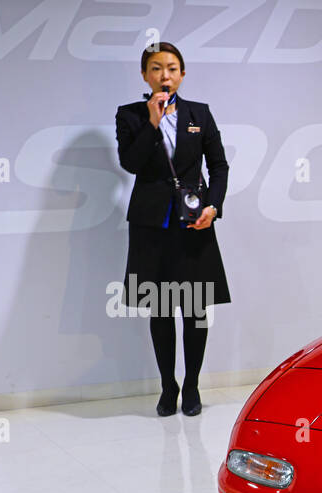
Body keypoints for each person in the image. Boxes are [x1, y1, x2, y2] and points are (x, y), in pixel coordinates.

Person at [115, 41, 230, 416]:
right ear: (145, 75)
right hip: (151, 226)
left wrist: (213, 205)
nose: (165, 75)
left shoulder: (200, 113)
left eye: (172, 68)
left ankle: (193, 386)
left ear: (182, 73)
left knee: (195, 310)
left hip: (193, 224)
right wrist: (151, 121)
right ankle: (169, 387)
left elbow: (219, 166)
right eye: (156, 68)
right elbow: (131, 163)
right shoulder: (130, 115)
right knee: (161, 309)